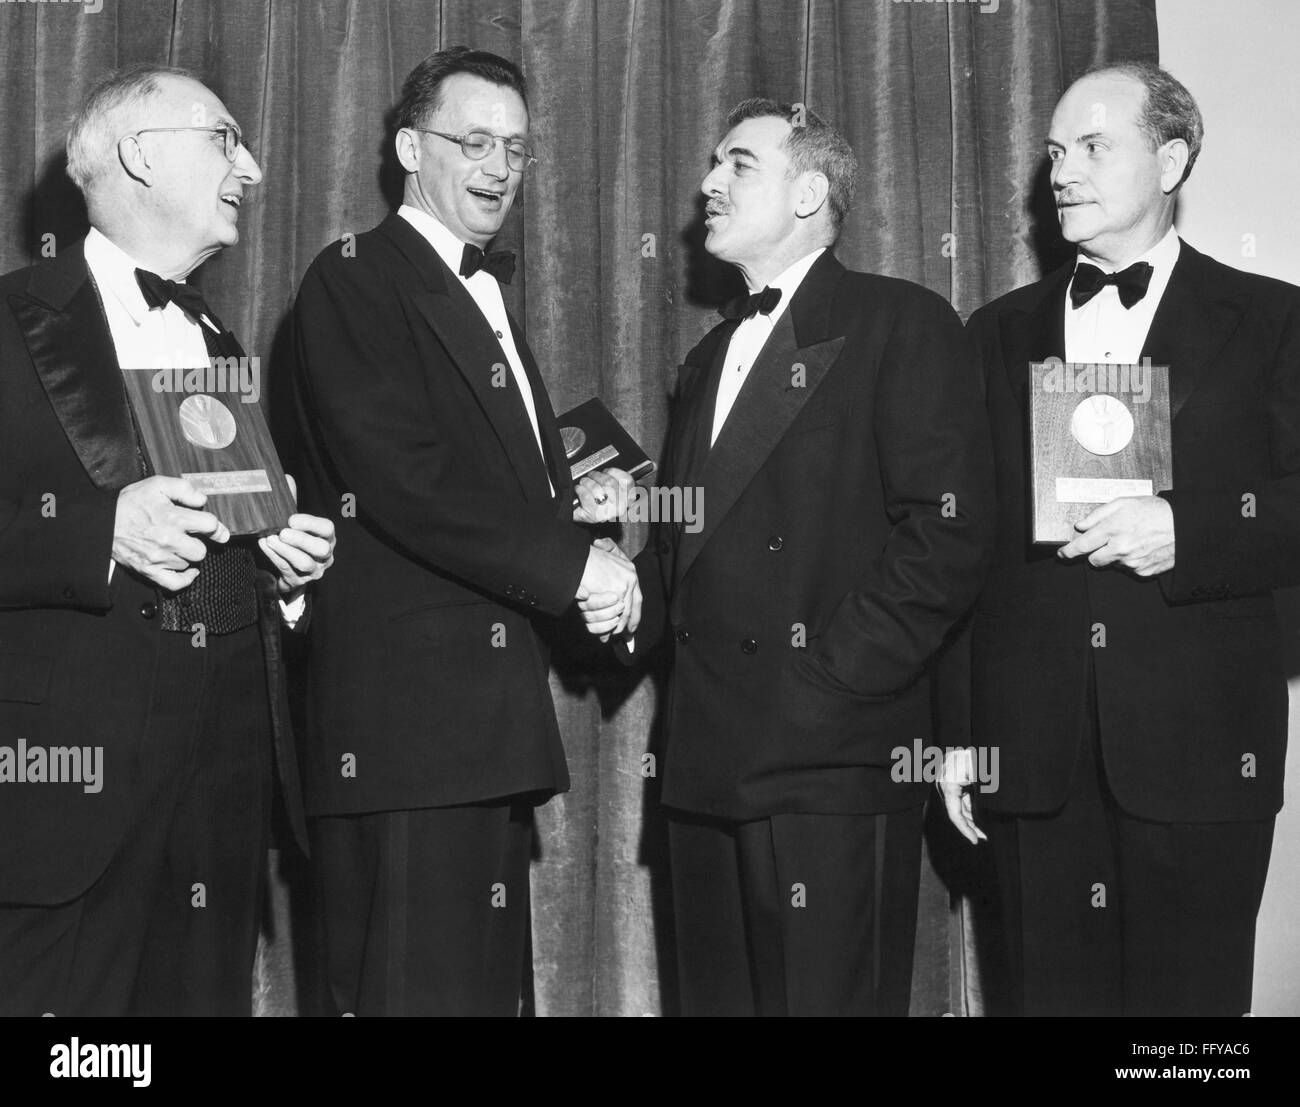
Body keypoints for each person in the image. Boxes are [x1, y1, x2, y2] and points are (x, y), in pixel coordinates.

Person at [581, 99, 994, 1016]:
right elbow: (695, 541)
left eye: (738, 164)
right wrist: (622, 595)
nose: (706, 185)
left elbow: (952, 530)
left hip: (830, 768)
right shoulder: (710, 353)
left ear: (809, 193)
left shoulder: (902, 320)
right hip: (702, 769)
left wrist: (832, 677)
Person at [288, 46, 638, 1016]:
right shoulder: (354, 276)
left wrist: (588, 532)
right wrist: (575, 565)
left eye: (517, 149)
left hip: (475, 738)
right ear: (409, 146)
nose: (498, 167)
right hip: (403, 738)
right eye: (473, 141)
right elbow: (405, 482)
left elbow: (482, 490)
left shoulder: (479, 294)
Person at [946, 61, 1300, 1016]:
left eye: (1093, 147)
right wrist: (953, 736)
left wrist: (1190, 530)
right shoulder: (993, 333)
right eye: (1057, 151)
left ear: (1172, 158)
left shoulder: (1274, 320)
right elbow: (957, 550)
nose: (1062, 171)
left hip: (1200, 749)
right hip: (1032, 753)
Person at [0, 63, 336, 1016]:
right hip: (63, 793)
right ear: (142, 155)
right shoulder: (7, 319)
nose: (256, 167)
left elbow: (219, 545)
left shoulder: (220, 341)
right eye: (227, 138)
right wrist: (100, 532)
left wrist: (282, 569)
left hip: (221, 798)